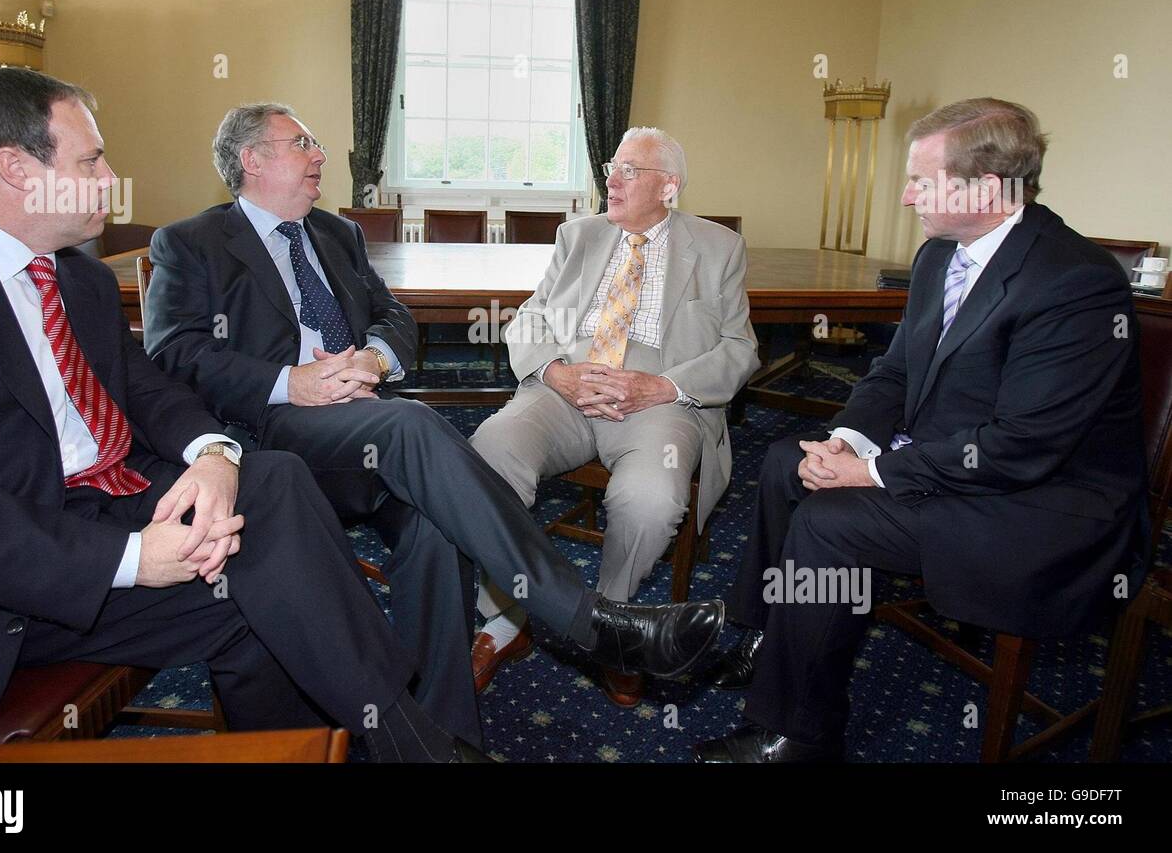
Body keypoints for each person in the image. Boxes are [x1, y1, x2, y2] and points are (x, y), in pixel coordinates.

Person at [0, 67, 488, 761]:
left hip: (111, 499)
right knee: (266, 588)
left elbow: (149, 388)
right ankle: (420, 744)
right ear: (16, 169)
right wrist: (133, 557)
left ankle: (386, 736)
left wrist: (216, 455)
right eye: (90, 159)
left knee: (273, 484)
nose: (111, 178)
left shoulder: (78, 275)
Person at [143, 104, 727, 740]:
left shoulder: (336, 235)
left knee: (436, 522)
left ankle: (441, 733)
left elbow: (394, 317)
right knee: (415, 425)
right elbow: (175, 353)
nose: (321, 156)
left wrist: (372, 355)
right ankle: (584, 617)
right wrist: (293, 382)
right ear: (253, 161)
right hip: (272, 431)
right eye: (303, 144)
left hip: (362, 429)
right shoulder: (191, 242)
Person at [696, 98, 1149, 762]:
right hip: (957, 462)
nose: (906, 196)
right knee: (789, 463)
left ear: (987, 188)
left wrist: (874, 472)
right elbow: (893, 372)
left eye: (921, 180)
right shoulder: (942, 255)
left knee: (832, 521)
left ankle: (800, 734)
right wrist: (847, 442)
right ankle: (775, 643)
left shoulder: (1075, 282)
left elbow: (1024, 445)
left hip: (1043, 503)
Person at [469, 126, 760, 706]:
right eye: (612, 166)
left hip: (659, 404)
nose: (612, 178)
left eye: (630, 169)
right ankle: (502, 618)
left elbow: (739, 349)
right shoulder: (576, 236)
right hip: (567, 391)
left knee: (650, 498)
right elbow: (530, 318)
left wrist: (663, 384)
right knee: (490, 447)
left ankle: (613, 627)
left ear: (669, 187)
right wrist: (555, 372)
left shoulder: (718, 247)